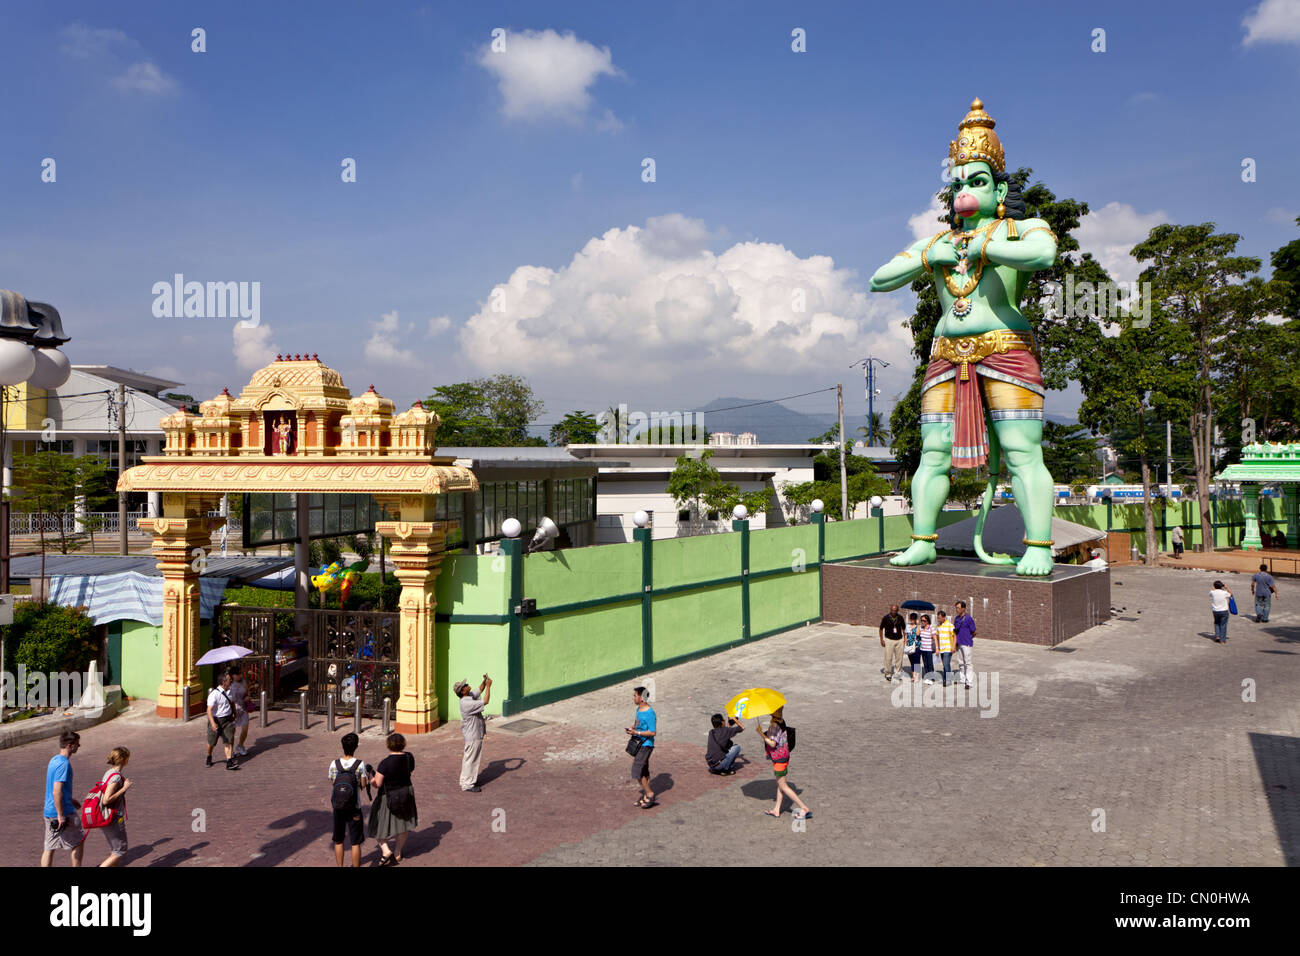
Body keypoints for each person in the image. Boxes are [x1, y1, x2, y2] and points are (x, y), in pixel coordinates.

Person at [368, 732, 416, 866]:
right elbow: (410, 770)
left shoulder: (385, 763)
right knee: (403, 824)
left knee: (377, 824)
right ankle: (398, 852)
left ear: (388, 746)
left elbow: (377, 784)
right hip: (406, 792)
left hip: (388, 796)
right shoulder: (409, 757)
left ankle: (386, 850)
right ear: (403, 744)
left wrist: (370, 778)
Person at [757, 707, 811, 820]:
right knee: (780, 784)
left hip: (779, 758)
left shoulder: (775, 725)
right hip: (785, 755)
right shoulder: (781, 721)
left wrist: (761, 733)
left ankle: (804, 808)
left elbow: (772, 744)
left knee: (783, 786)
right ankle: (777, 809)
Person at [41, 732, 85, 867]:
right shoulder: (63, 764)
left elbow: (56, 790)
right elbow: (57, 791)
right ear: (69, 745)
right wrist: (61, 816)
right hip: (63, 812)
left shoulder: (54, 760)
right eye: (77, 744)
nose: (79, 746)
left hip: (49, 811)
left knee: (49, 848)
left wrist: (71, 799)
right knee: (78, 842)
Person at [329, 732, 370, 867]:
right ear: (356, 746)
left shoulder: (334, 764)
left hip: (338, 806)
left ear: (342, 746)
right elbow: (363, 785)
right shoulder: (360, 764)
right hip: (354, 807)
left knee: (338, 840)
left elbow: (333, 783)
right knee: (355, 842)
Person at [96, 747, 132, 867]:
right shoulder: (115, 777)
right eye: (127, 757)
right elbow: (106, 800)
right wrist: (124, 788)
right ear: (122, 759)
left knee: (115, 849)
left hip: (108, 816)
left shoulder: (109, 772)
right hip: (114, 817)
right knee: (120, 851)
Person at [454, 675, 491, 792]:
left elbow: (479, 689)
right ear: (463, 691)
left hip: (473, 733)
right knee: (471, 759)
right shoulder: (466, 703)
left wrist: (484, 682)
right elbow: (485, 701)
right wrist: (489, 686)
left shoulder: (468, 697)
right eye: (464, 686)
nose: (466, 685)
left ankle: (466, 780)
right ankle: (468, 785)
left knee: (469, 758)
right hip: (473, 735)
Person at [625, 686, 657, 808]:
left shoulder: (650, 713)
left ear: (641, 698)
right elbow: (638, 723)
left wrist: (637, 733)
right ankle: (645, 795)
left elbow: (653, 732)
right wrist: (632, 728)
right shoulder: (639, 709)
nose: (633, 698)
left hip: (646, 746)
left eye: (635, 695)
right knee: (644, 771)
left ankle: (650, 793)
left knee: (637, 772)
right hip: (639, 744)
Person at [205, 669, 239, 770]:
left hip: (227, 720)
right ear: (223, 682)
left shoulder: (230, 691)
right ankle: (209, 756)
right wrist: (213, 723)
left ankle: (229, 762)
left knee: (228, 740)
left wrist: (234, 714)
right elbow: (209, 710)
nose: (231, 681)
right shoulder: (214, 694)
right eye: (229, 680)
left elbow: (232, 703)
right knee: (211, 742)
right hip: (216, 720)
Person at [879, 604, 906, 683]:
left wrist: (905, 639)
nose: (893, 612)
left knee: (899, 658)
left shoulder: (900, 618)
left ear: (897, 611)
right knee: (888, 658)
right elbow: (880, 629)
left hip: (899, 640)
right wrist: (881, 640)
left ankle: (897, 673)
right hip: (889, 640)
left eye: (895, 610)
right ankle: (888, 673)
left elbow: (903, 629)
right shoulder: (886, 618)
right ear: (890, 610)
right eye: (892, 610)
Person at [953, 601, 976, 689]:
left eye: (958, 608)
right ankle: (962, 679)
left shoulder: (968, 619)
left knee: (968, 662)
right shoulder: (956, 619)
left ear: (963, 608)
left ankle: (969, 682)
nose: (957, 609)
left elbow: (974, 631)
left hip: (966, 643)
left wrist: (968, 638)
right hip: (959, 643)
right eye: (956, 608)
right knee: (961, 662)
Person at [229, 665, 251, 756]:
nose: (240, 676)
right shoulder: (229, 684)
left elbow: (247, 692)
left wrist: (247, 697)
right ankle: (230, 750)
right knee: (232, 731)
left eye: (240, 674)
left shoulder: (243, 682)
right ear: (232, 675)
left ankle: (240, 745)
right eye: (237, 674)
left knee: (245, 729)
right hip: (233, 710)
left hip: (243, 708)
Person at [935, 610, 956, 686]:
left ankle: (948, 680)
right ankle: (945, 678)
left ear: (944, 617)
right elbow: (937, 636)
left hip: (948, 648)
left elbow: (955, 636)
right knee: (944, 664)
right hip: (942, 649)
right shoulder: (938, 626)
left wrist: (953, 646)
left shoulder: (950, 625)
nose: (939, 619)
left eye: (940, 618)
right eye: (938, 618)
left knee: (946, 664)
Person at [917, 614, 937, 685]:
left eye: (924, 621)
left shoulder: (931, 628)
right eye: (921, 620)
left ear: (928, 621)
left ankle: (931, 677)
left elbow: (935, 638)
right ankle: (927, 676)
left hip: (929, 649)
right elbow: (917, 634)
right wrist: (919, 625)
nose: (922, 622)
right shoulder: (921, 628)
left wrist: (937, 648)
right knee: (925, 663)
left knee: (930, 663)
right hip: (923, 648)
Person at [904, 612, 922, 683]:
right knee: (911, 661)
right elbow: (905, 635)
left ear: (916, 619)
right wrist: (905, 643)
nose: (912, 620)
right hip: (909, 645)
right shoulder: (907, 626)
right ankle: (913, 676)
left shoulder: (918, 627)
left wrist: (917, 625)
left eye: (913, 619)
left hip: (917, 646)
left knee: (917, 662)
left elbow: (918, 634)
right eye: (911, 618)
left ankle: (917, 676)